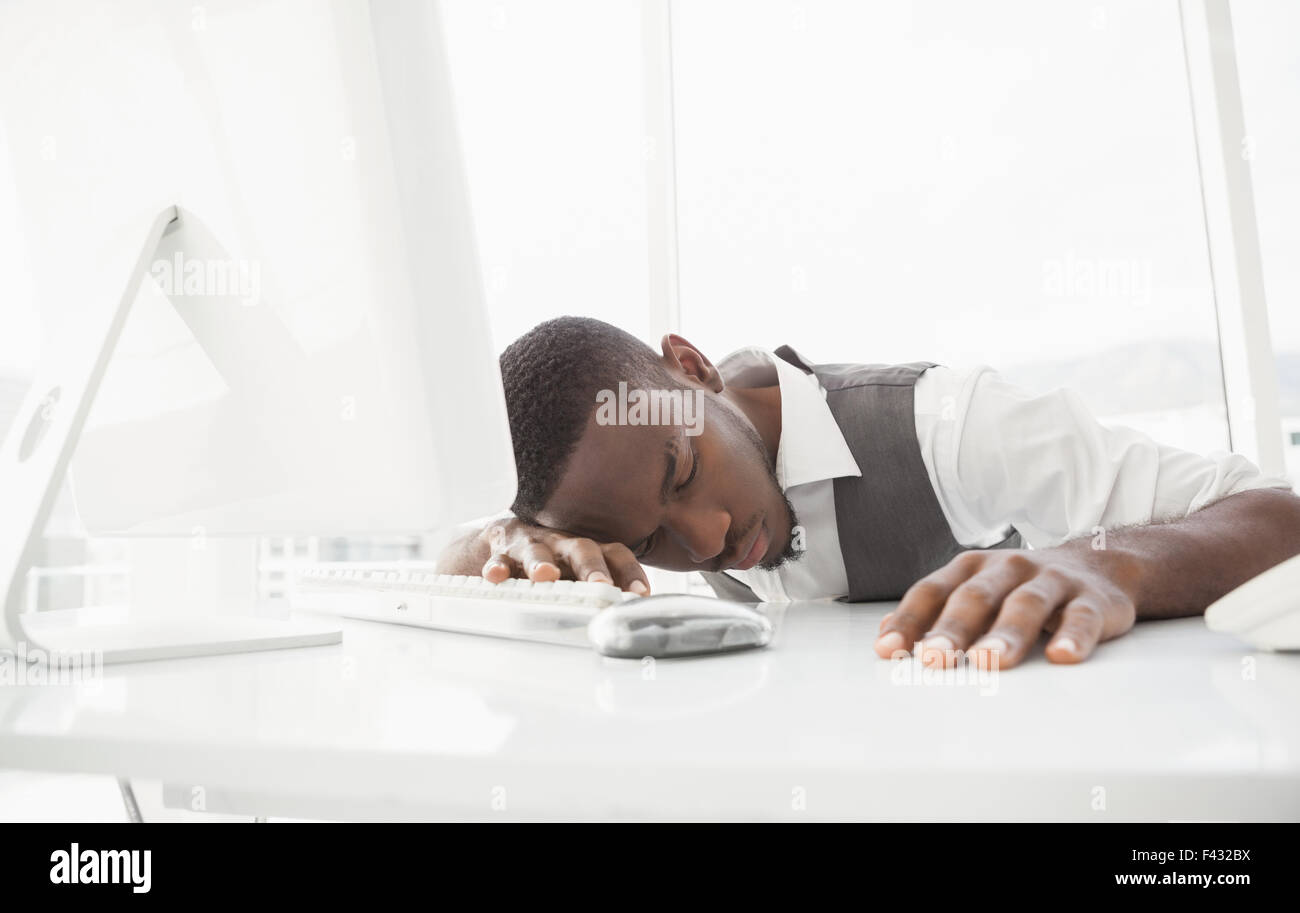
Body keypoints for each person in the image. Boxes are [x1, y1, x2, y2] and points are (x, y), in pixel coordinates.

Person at [438, 316, 1300, 669]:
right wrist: (497, 543)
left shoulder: (954, 427)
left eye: (685, 473)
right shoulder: (634, 484)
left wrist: (1116, 564)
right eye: (653, 539)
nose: (704, 543)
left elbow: (1279, 515)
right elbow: (455, 554)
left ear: (691, 369)